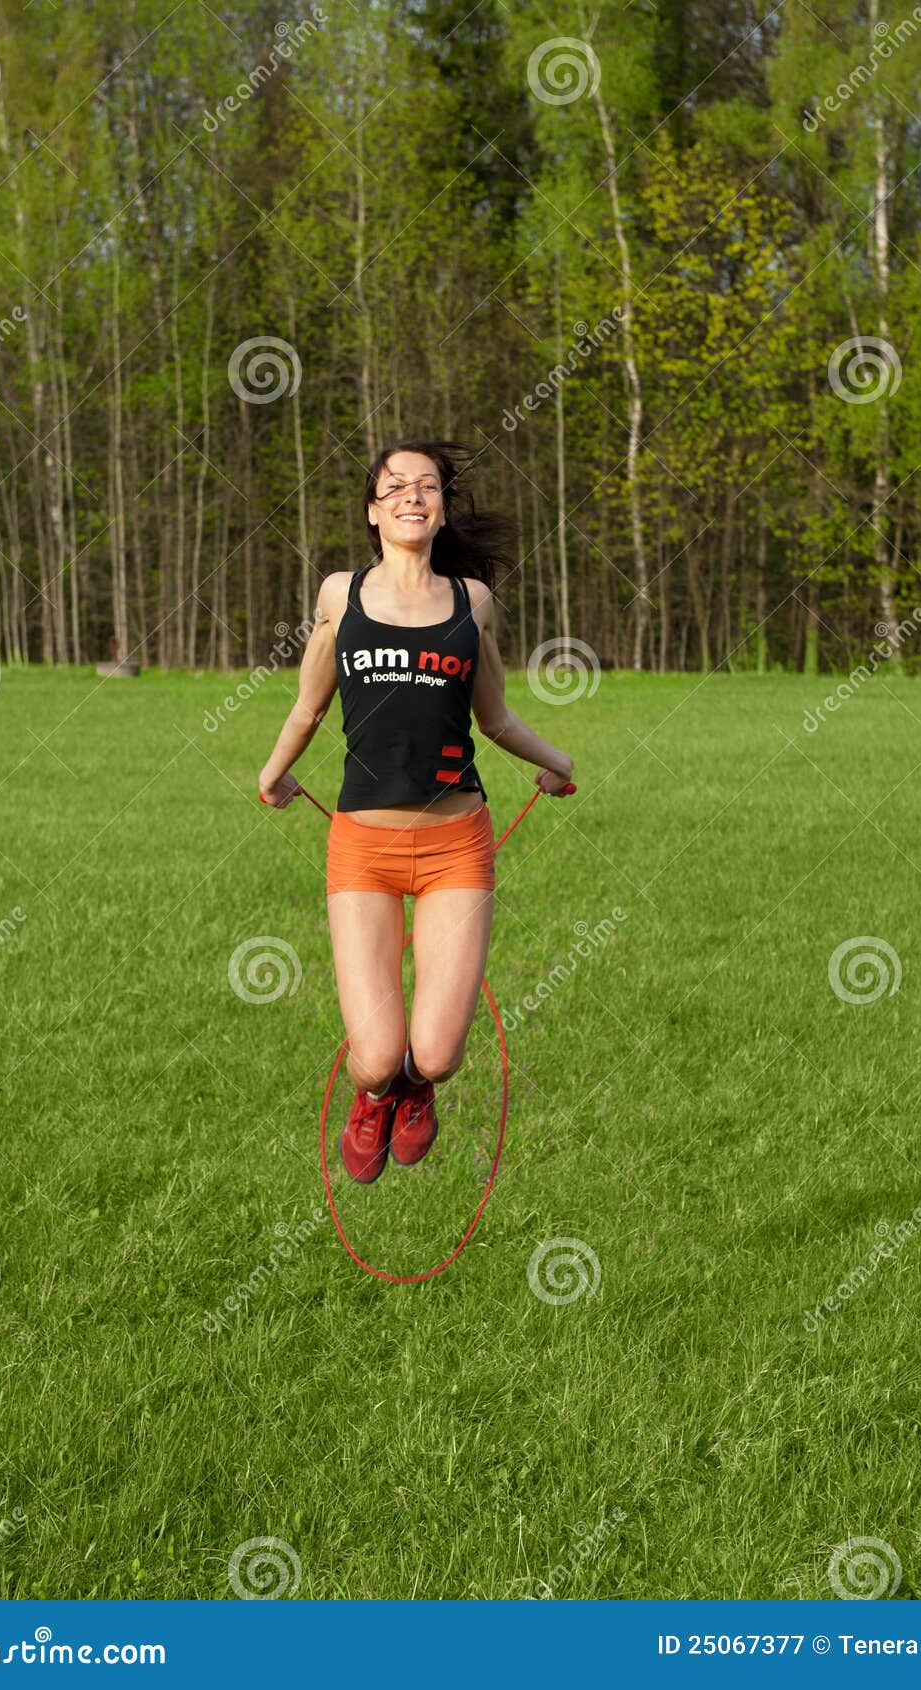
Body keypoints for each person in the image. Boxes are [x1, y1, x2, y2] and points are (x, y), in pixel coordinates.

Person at [258, 440, 575, 1183]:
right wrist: (274, 774)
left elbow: (494, 719)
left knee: (434, 1051)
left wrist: (555, 763)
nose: (411, 496)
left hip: (456, 847)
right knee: (371, 1055)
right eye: (394, 487)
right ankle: (375, 1097)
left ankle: (418, 1086)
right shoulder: (340, 594)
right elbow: (308, 705)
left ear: (438, 511)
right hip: (360, 849)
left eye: (426, 487)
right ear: (373, 512)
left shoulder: (473, 603)